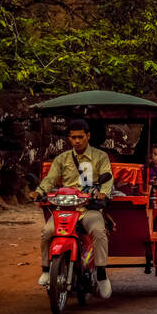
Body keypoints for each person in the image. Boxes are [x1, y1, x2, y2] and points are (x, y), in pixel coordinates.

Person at [35, 118, 115, 298]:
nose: (77, 141)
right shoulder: (61, 159)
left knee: (99, 232)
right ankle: (46, 270)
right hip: (65, 210)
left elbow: (107, 178)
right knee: (46, 232)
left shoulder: (100, 157)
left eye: (80, 137)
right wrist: (39, 191)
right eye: (73, 138)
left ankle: (102, 274)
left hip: (89, 209)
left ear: (88, 136)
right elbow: (50, 179)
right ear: (69, 139)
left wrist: (102, 193)